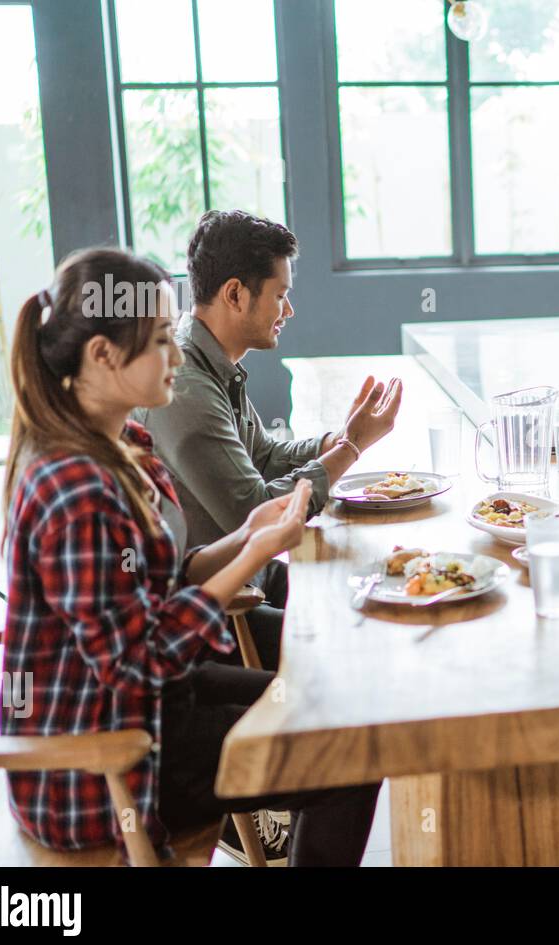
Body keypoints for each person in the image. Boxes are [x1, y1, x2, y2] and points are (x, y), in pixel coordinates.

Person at [2, 247, 380, 866]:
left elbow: (164, 578)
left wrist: (245, 536)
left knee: (339, 698)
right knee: (351, 755)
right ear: (102, 355)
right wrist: (250, 554)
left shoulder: (126, 441)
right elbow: (132, 664)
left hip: (159, 702)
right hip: (107, 757)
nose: (177, 351)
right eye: (158, 339)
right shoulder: (71, 487)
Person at [134, 210, 401, 669]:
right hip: (222, 606)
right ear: (235, 294)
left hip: (242, 576)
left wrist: (338, 438)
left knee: (370, 587)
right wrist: (350, 450)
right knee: (353, 643)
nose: (289, 311)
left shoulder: (212, 363)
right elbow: (252, 512)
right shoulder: (188, 387)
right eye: (281, 295)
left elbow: (263, 455)